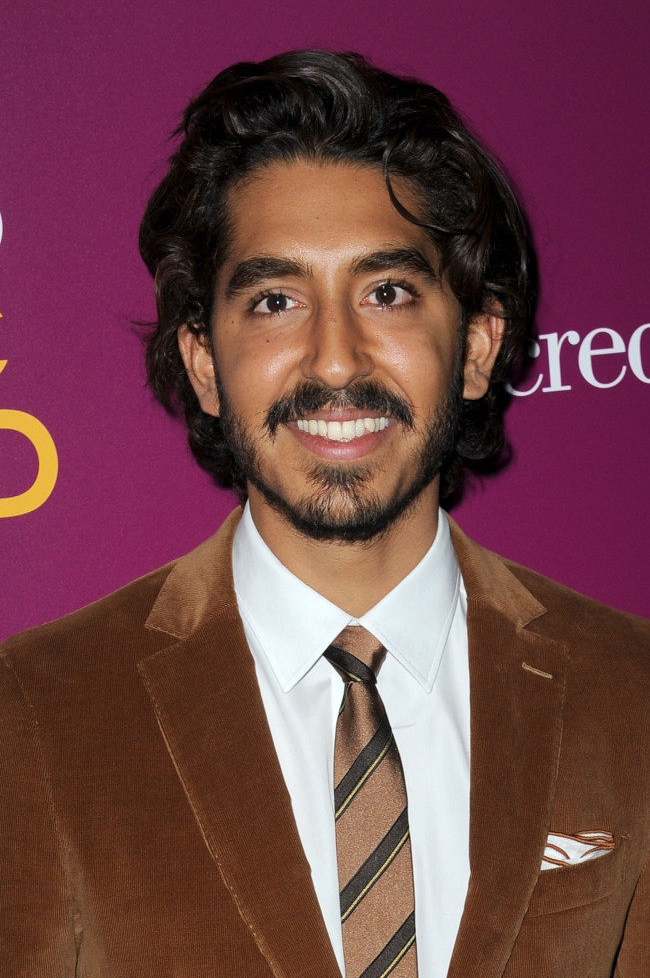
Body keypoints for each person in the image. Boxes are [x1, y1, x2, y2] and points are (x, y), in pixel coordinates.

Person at [1, 50, 648, 978]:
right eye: (275, 300)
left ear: (475, 348)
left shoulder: (632, 695)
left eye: (387, 293)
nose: (336, 359)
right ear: (201, 364)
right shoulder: (34, 714)